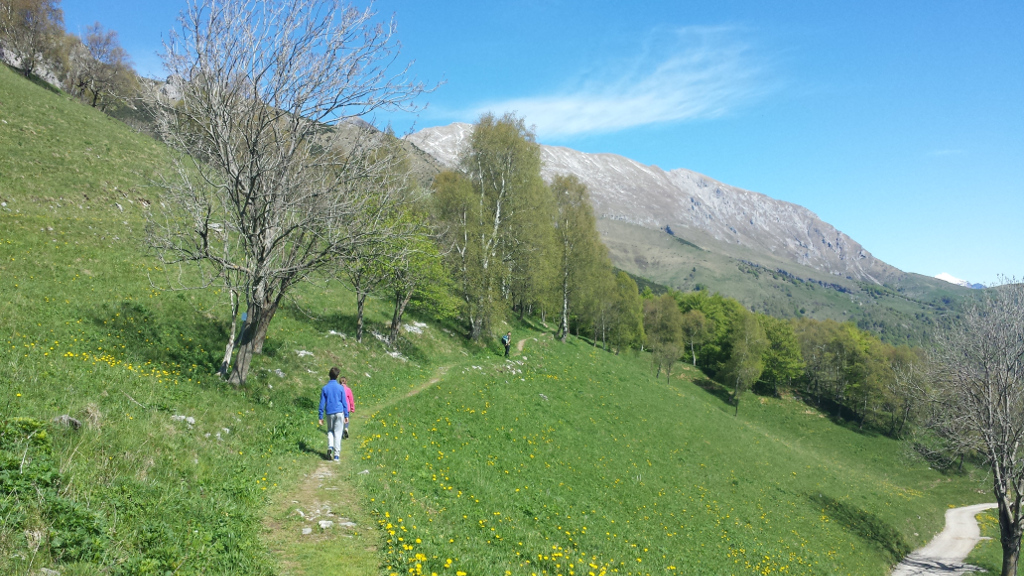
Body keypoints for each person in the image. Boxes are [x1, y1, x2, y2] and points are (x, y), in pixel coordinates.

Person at [318, 367, 349, 462]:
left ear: (329, 375)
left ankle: (330, 446)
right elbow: (344, 402)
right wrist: (346, 415)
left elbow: (322, 403)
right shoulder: (340, 388)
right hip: (339, 412)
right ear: (337, 376)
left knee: (330, 431)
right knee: (338, 433)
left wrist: (320, 416)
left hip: (329, 412)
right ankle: (336, 455)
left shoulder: (325, 388)